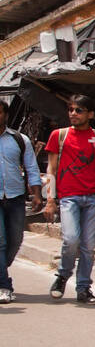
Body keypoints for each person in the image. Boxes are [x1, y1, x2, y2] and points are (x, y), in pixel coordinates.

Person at [44, 95, 95, 304]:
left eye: (78, 110)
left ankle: (83, 289)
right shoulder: (59, 135)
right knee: (71, 240)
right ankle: (63, 275)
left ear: (90, 114)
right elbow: (51, 169)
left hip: (92, 198)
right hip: (68, 197)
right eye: (71, 109)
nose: (73, 113)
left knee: (89, 246)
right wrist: (50, 199)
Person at [0, 98, 44, 303]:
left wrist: (37, 194)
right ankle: (4, 285)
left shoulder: (19, 139)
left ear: (5, 115)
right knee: (0, 242)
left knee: (15, 240)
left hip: (15, 197)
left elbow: (32, 168)